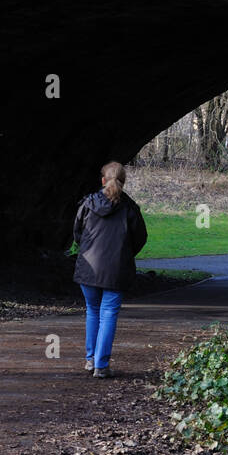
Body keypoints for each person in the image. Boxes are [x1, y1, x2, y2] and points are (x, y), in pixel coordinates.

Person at [72, 161, 147, 378]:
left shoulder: (88, 204)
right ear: (123, 182)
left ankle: (90, 360)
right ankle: (101, 365)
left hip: (89, 268)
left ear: (103, 180)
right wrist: (123, 254)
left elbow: (77, 233)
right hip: (116, 269)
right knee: (108, 314)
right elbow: (140, 238)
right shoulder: (130, 208)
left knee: (93, 311)